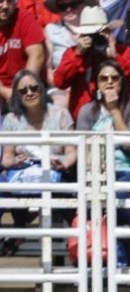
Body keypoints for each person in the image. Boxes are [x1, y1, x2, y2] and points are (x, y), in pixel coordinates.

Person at [75, 58, 130, 265]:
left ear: (122, 82)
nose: (109, 82)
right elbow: (82, 149)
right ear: (97, 84)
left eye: (114, 78)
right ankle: (97, 253)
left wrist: (114, 110)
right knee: (85, 198)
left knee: (118, 190)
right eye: (104, 79)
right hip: (99, 171)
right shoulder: (87, 111)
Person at [0, 68, 76, 258]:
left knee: (62, 190)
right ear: (17, 95)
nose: (29, 93)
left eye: (34, 88)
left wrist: (64, 164)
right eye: (23, 91)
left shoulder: (61, 114)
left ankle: (75, 244)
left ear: (41, 89)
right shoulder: (11, 119)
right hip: (23, 174)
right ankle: (18, 232)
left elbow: (72, 152)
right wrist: (15, 162)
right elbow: (6, 158)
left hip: (57, 172)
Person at [52, 5, 130, 119]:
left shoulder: (124, 52)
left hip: (119, 115)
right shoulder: (73, 53)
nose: (95, 39)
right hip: (84, 118)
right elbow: (59, 82)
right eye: (90, 35)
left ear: (109, 32)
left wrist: (116, 56)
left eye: (99, 35)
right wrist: (78, 54)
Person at [0, 0, 46, 112]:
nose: (5, 6)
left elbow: (37, 56)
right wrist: (5, 92)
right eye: (0, 1)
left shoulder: (24, 17)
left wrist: (23, 89)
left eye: (9, 1)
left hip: (25, 86)